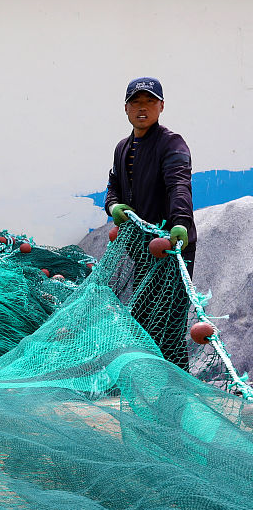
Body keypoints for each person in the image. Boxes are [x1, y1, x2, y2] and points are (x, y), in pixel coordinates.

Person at [104, 76, 196, 370]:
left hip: (170, 246)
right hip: (141, 248)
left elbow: (179, 185)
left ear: (161, 106)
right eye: (136, 102)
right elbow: (113, 186)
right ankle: (150, 386)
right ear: (126, 108)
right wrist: (114, 206)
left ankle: (174, 392)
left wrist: (180, 224)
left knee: (169, 327)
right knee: (144, 321)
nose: (142, 108)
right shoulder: (122, 148)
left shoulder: (171, 143)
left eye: (149, 102)